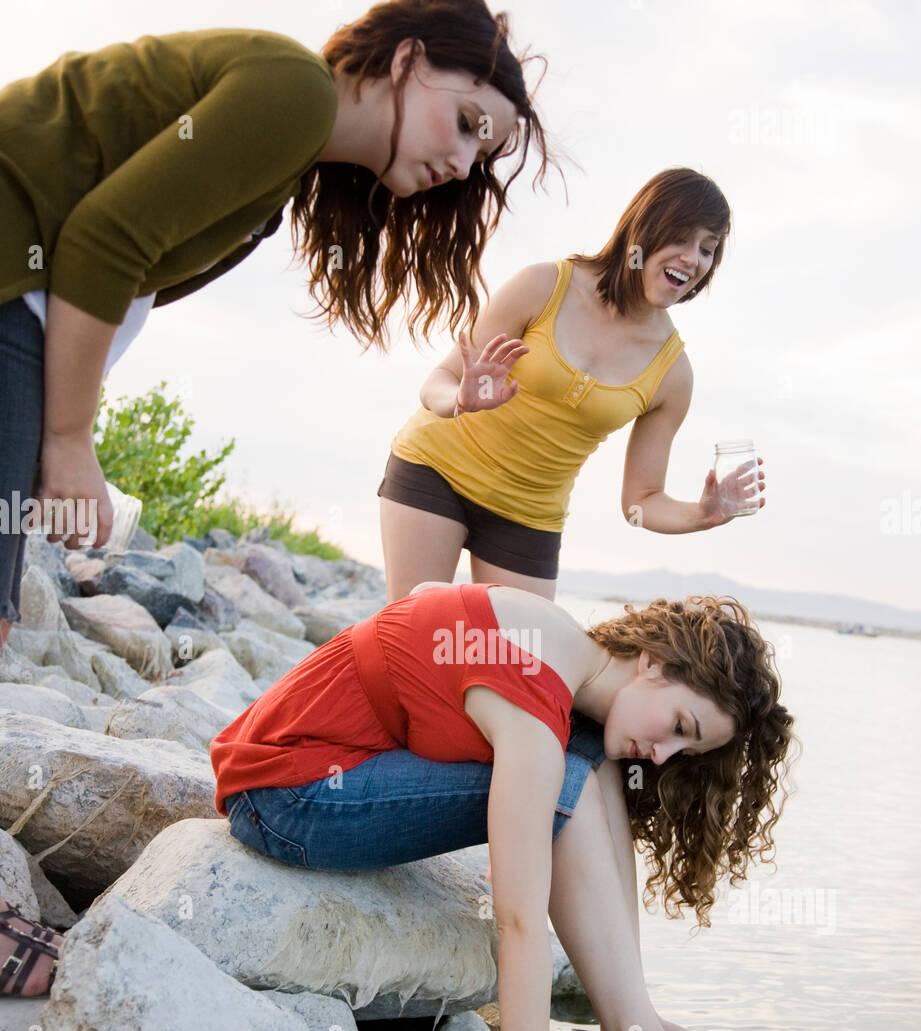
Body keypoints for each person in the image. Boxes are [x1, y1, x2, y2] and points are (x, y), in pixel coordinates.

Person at [203, 579, 796, 1031]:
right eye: (680, 729)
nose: (663, 756)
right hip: (287, 797)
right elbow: (517, 922)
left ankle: (634, 1030)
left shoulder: (564, 648)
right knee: (567, 781)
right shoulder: (535, 692)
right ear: (656, 662)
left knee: (591, 758)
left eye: (687, 752)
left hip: (326, 766)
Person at [0, 0, 555, 658]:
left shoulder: (287, 166)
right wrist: (67, 439)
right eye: (466, 124)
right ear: (407, 59)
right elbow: (102, 244)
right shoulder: (295, 91)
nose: (463, 165)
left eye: (480, 153)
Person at [378, 167, 765, 602]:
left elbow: (641, 500)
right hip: (436, 470)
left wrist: (703, 514)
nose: (694, 259)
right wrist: (460, 401)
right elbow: (439, 381)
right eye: (682, 238)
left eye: (708, 249)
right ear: (644, 227)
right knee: (411, 642)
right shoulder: (544, 285)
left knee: (517, 667)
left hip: (528, 516)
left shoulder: (673, 373)